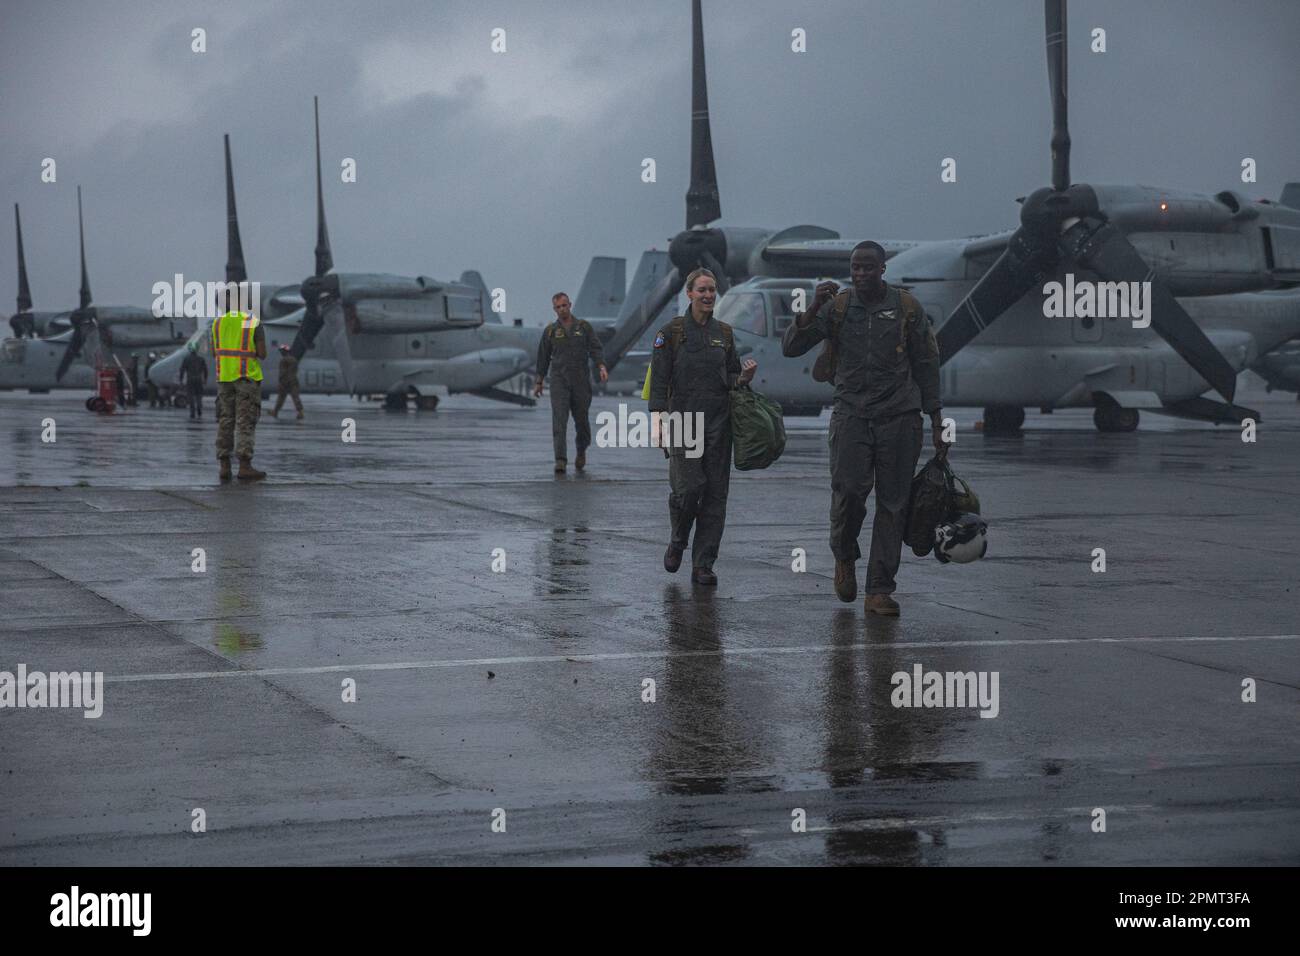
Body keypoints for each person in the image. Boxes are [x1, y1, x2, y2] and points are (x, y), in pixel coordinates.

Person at [782, 241, 946, 615]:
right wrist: (812, 308)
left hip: (900, 416)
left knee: (894, 504)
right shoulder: (837, 307)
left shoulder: (906, 308)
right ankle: (844, 555)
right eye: (855, 267)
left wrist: (936, 420)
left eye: (868, 267)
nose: (860, 274)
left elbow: (927, 364)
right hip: (851, 415)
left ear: (882, 269)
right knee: (849, 495)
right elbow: (791, 348)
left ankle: (879, 590)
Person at [647, 268, 757, 586]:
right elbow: (659, 382)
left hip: (719, 424)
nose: (708, 295)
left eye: (712, 290)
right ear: (690, 293)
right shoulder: (671, 333)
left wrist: (744, 378)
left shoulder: (724, 333)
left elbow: (733, 376)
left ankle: (703, 564)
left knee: (715, 496)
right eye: (702, 290)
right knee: (690, 488)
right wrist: (657, 422)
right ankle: (678, 539)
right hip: (682, 422)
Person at [534, 292, 607, 472]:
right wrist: (539, 381)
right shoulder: (551, 331)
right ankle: (560, 460)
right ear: (554, 309)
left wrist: (601, 365)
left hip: (580, 380)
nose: (562, 309)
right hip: (559, 380)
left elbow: (595, 347)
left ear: (570, 305)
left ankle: (581, 450)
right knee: (559, 421)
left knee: (581, 421)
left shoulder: (583, 328)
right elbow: (543, 356)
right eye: (558, 307)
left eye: (564, 305)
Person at [211, 303, 267, 481]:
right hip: (246, 378)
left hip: (224, 378)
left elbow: (215, 352)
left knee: (225, 420)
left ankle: (224, 466)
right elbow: (262, 353)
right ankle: (244, 466)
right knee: (245, 421)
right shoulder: (252, 322)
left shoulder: (217, 323)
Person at [269, 345, 304, 420]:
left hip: (285, 382)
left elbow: (282, 373)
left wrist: (281, 382)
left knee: (281, 398)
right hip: (293, 380)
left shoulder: (283, 360)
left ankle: (275, 412)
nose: (281, 352)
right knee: (295, 397)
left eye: (282, 351)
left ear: (284, 352)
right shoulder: (294, 359)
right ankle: (300, 412)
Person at [179, 345, 208, 420]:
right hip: (199, 379)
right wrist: (205, 379)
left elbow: (182, 370)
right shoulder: (201, 359)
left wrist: (181, 380)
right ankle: (199, 408)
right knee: (199, 395)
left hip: (190, 379)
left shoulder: (186, 359)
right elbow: (205, 370)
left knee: (190, 396)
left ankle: (192, 413)